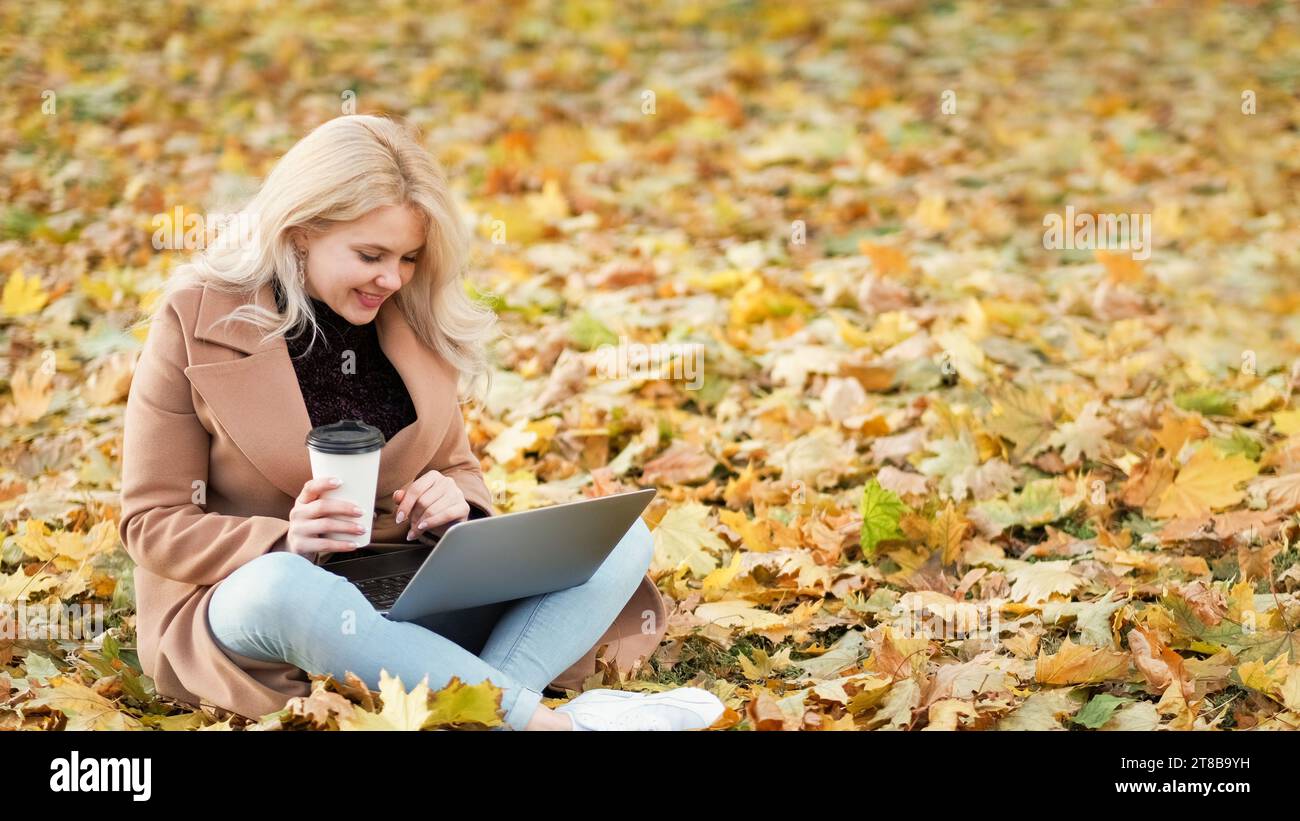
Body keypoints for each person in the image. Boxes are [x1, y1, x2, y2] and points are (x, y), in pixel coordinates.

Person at [119, 114, 724, 731]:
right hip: (264, 605)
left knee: (624, 538)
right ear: (300, 232)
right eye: (370, 254)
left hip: (412, 589)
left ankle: (480, 704)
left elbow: (458, 466)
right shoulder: (197, 315)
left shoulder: (414, 310)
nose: (392, 278)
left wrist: (455, 503)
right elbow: (150, 522)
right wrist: (284, 540)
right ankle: (550, 724)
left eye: (408, 257)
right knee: (284, 587)